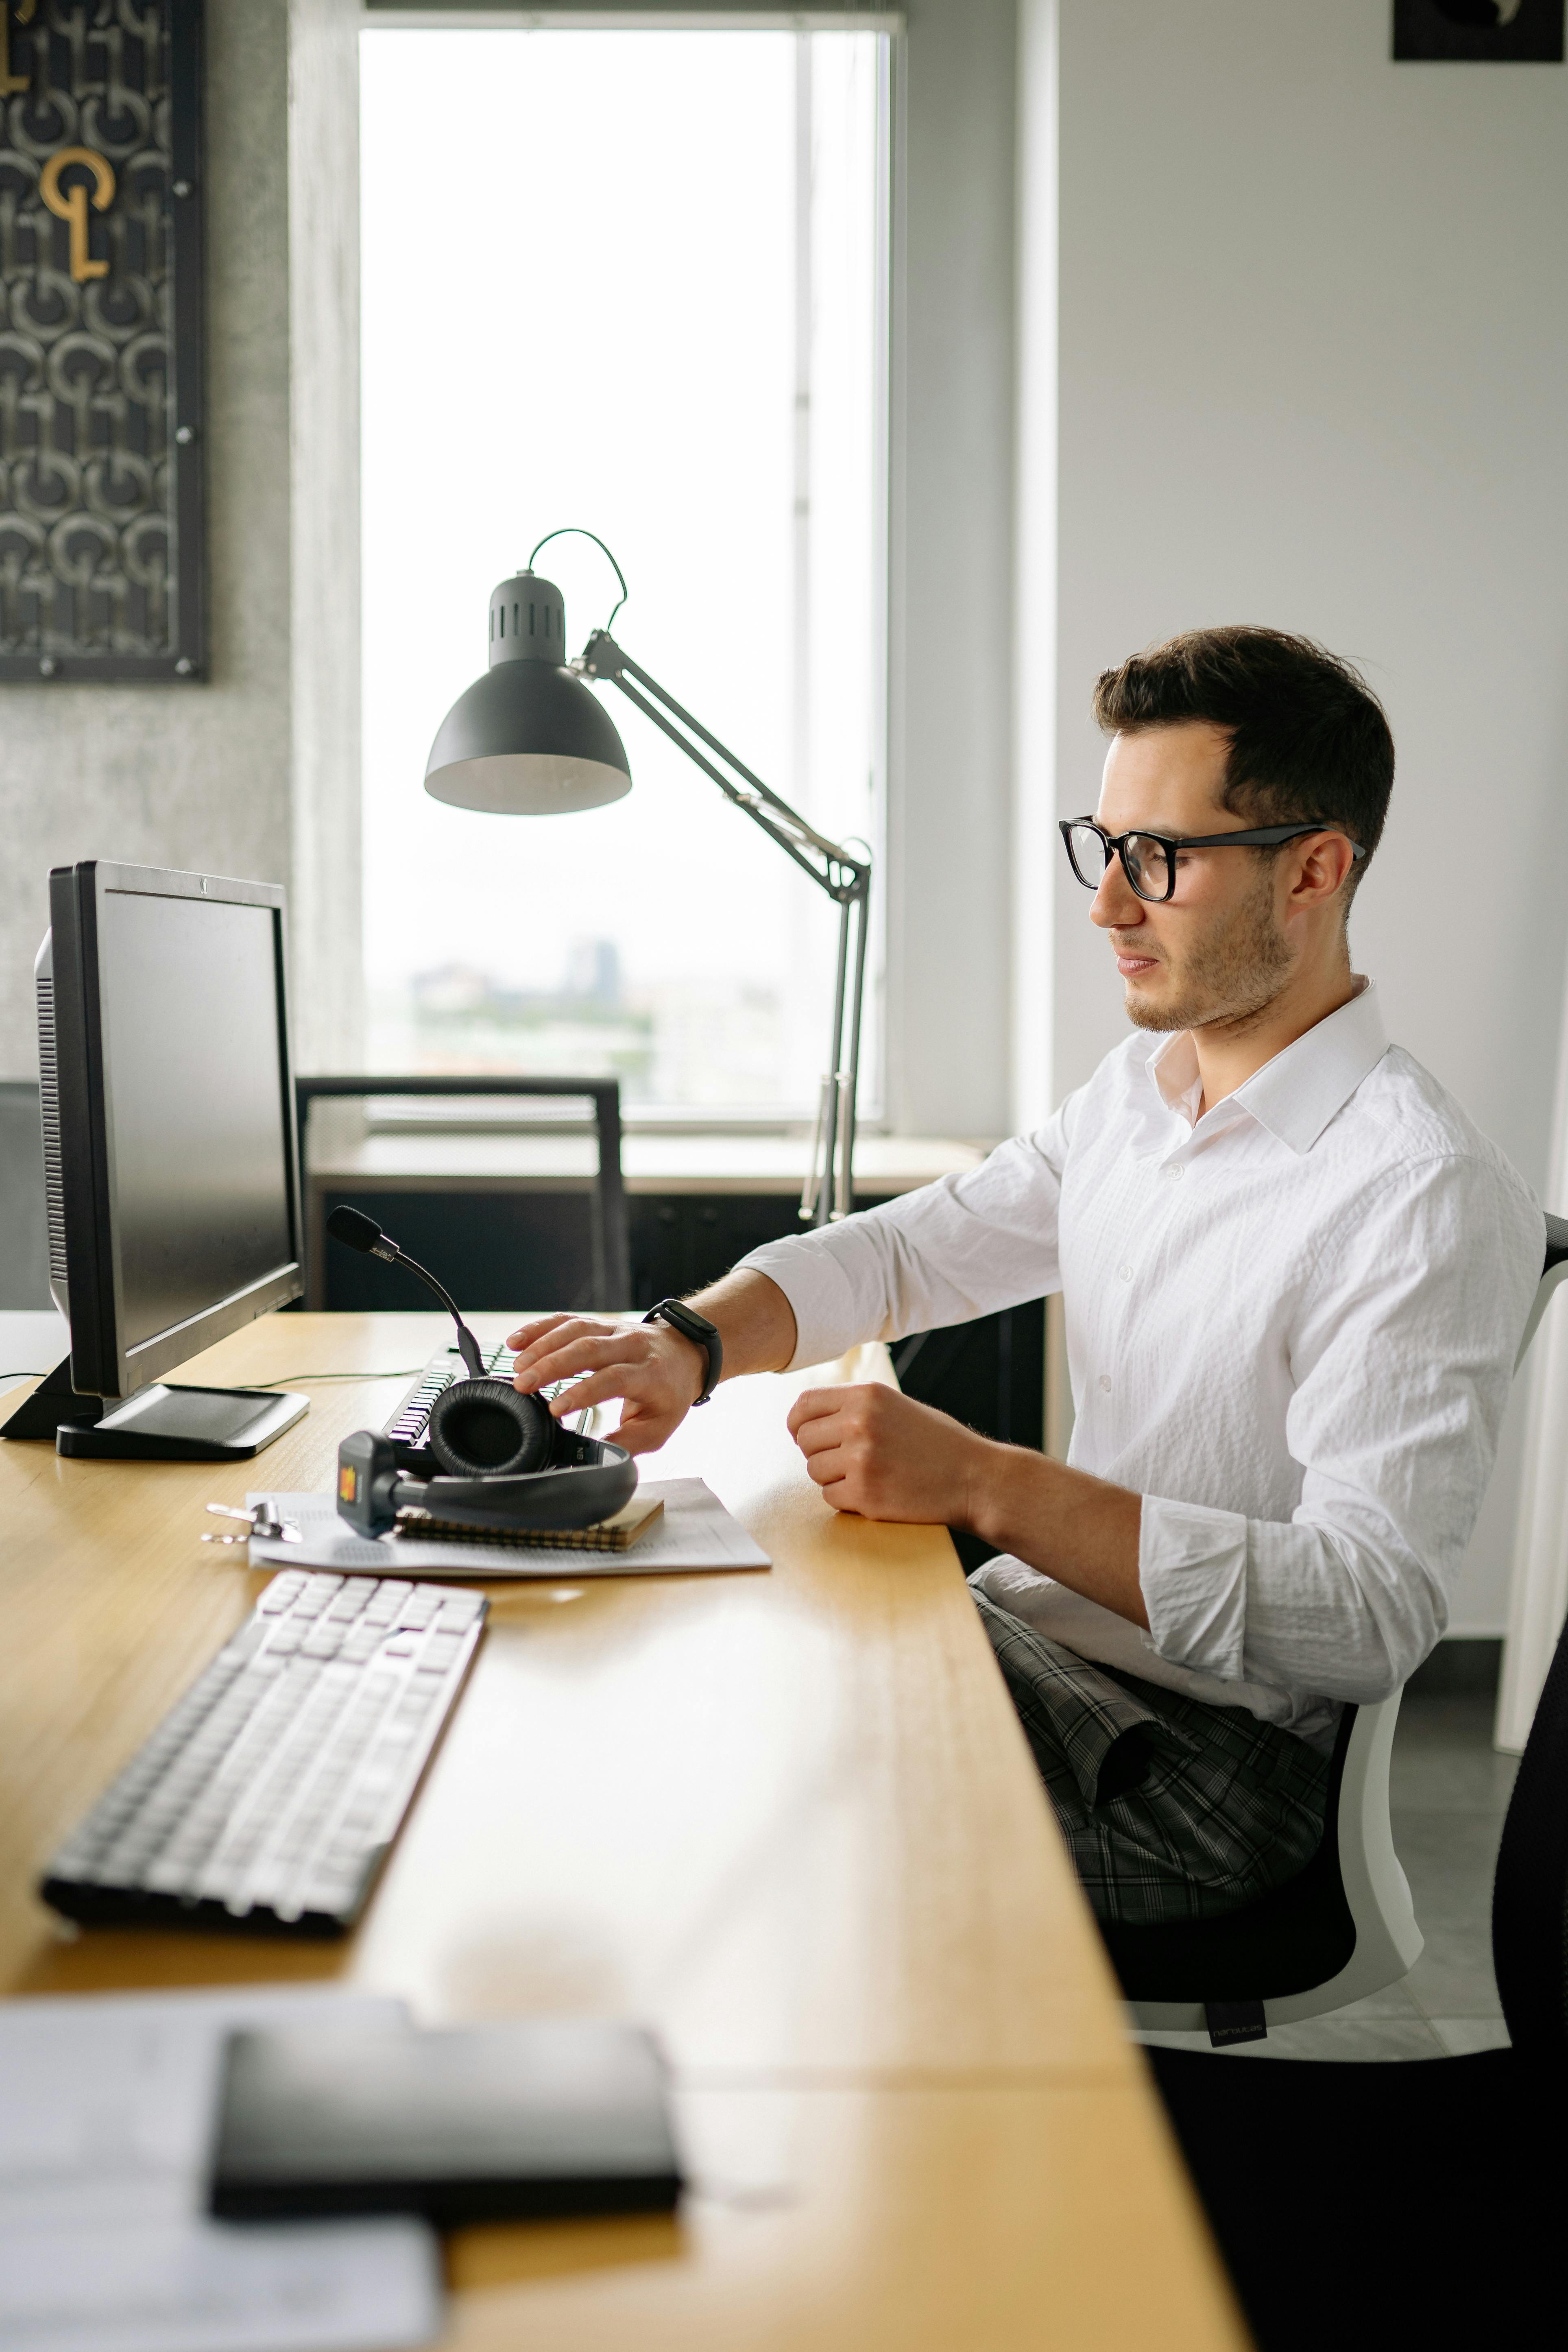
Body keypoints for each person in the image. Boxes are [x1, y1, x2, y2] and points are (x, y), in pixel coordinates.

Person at [507, 626, 1543, 1926]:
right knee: (672, 1683)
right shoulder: (1146, 1094)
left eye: (1159, 860)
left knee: (717, 1834)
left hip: (1207, 1775)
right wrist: (691, 1343)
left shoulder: (1422, 1192)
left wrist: (985, 1484)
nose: (1109, 904)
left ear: (1315, 871)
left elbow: (1369, 1614)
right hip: (1047, 1656)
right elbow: (909, 1248)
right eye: (1104, 848)